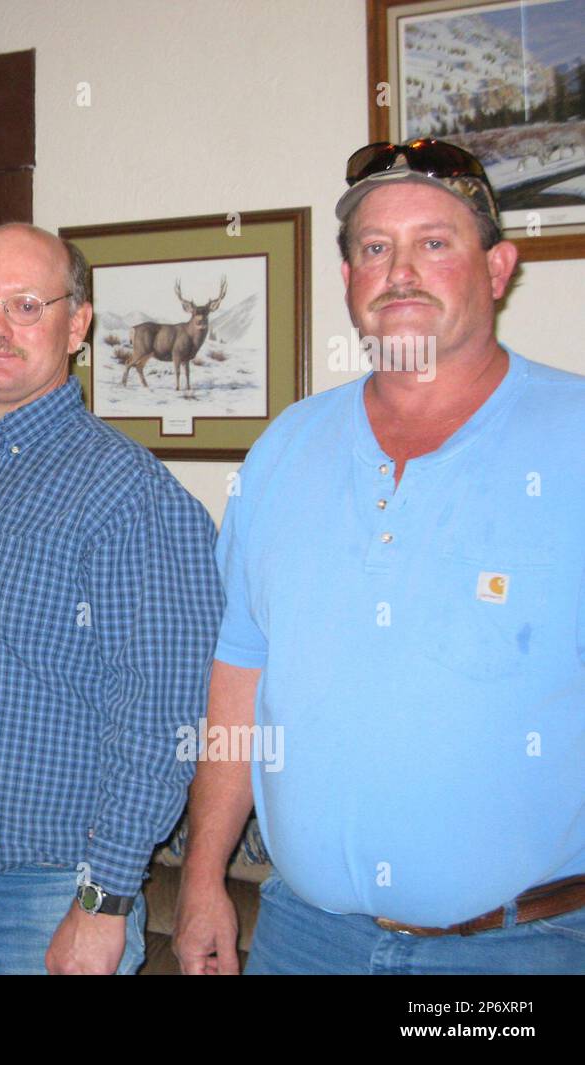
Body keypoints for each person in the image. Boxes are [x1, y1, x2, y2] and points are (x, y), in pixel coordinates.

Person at [173, 139, 585, 975]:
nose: (401, 270)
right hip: (302, 936)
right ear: (349, 280)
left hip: (518, 949)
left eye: (435, 242)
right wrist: (203, 874)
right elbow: (238, 679)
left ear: (498, 268)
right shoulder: (284, 448)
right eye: (374, 248)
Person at [0, 223, 223, 975]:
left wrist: (104, 904)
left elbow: (160, 718)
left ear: (78, 323)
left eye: (27, 304)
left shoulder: (128, 493)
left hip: (51, 897)